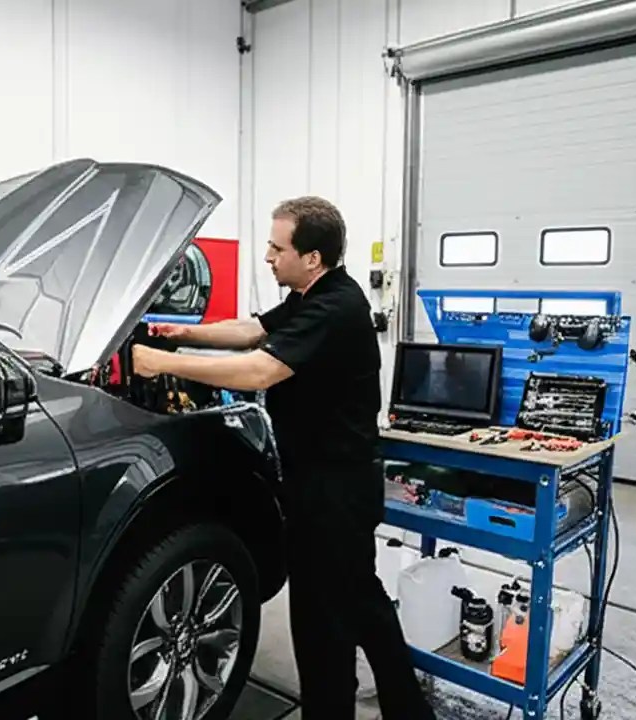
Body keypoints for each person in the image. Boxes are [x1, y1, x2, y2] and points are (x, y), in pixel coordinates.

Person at [131, 197, 436, 719]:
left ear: (312, 257)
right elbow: (252, 330)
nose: (268, 256)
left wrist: (161, 364)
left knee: (323, 624)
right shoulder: (309, 294)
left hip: (333, 490)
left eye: (277, 247)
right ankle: (409, 709)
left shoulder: (334, 307)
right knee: (363, 603)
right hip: (329, 481)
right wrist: (179, 334)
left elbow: (259, 371)